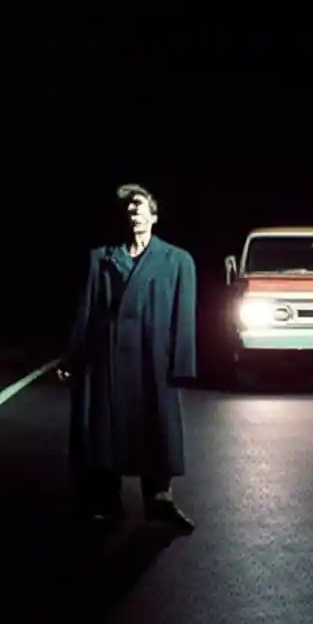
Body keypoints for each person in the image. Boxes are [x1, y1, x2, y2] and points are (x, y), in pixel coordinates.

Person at [56, 183, 198, 532]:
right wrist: (72, 358)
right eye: (129, 210)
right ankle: (107, 502)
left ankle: (160, 501)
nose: (134, 214)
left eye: (140, 207)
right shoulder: (101, 258)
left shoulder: (177, 261)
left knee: (157, 430)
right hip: (107, 362)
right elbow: (85, 311)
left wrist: (181, 365)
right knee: (105, 431)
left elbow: (185, 316)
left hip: (153, 361)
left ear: (154, 215)